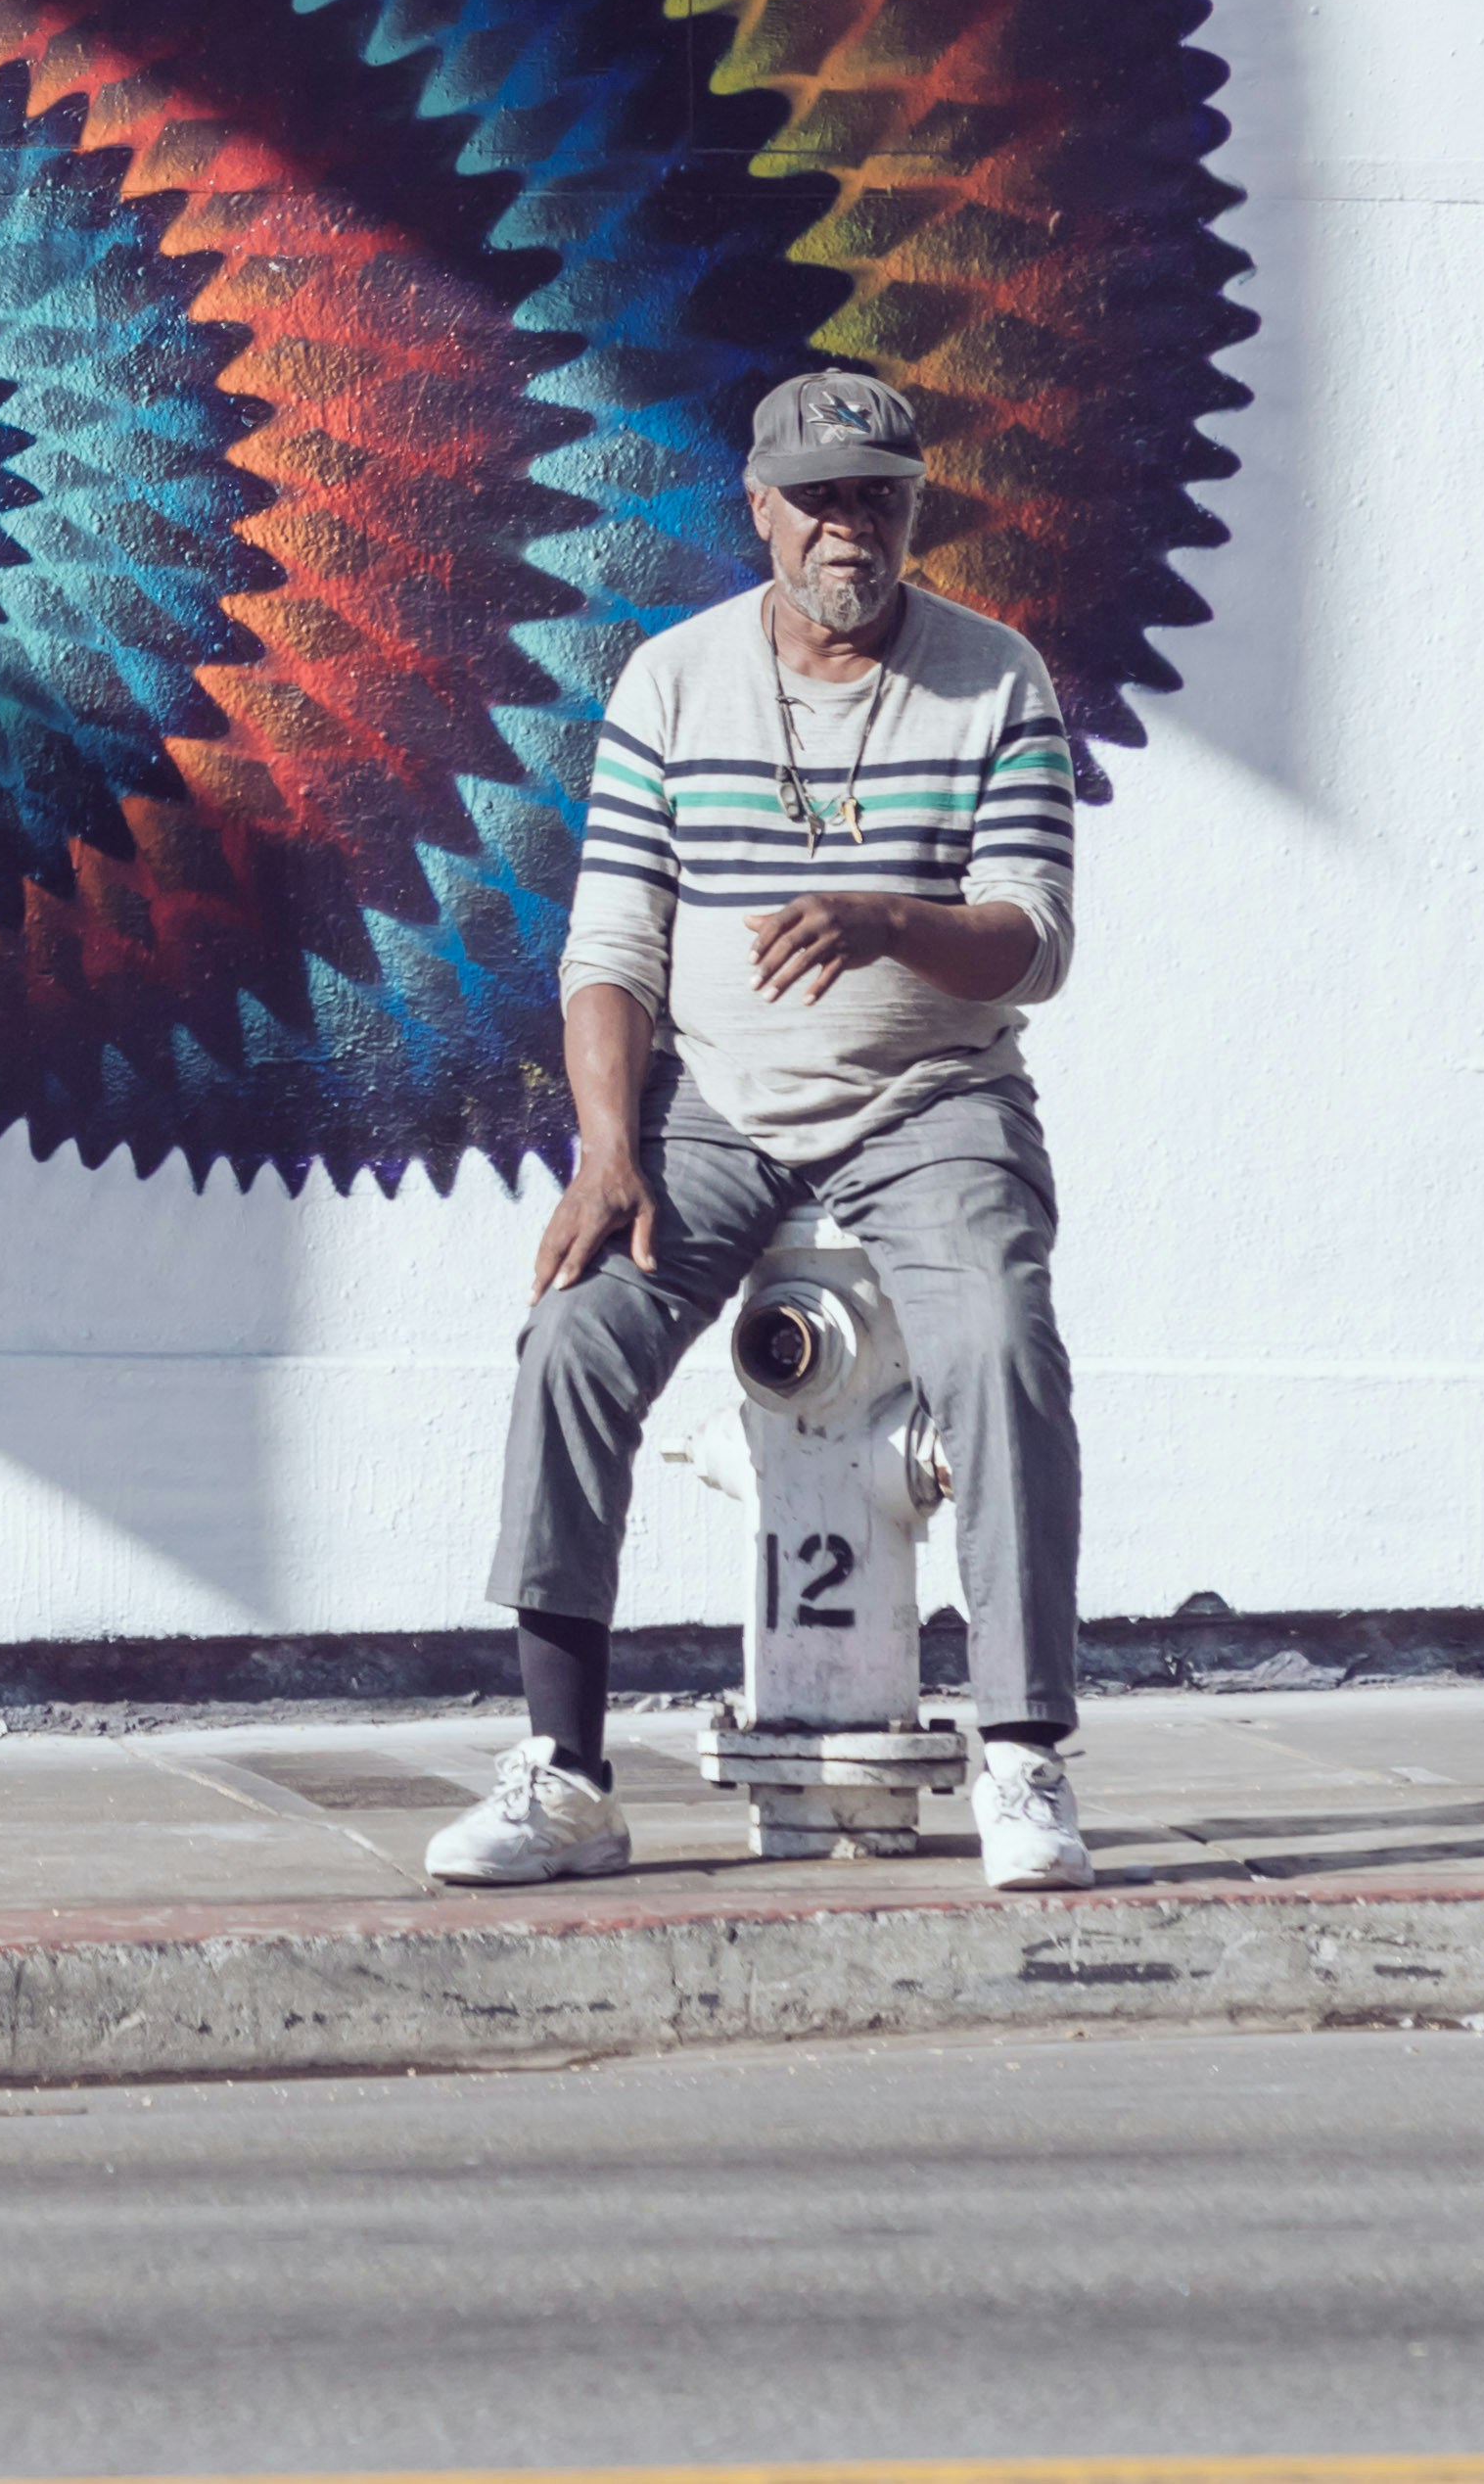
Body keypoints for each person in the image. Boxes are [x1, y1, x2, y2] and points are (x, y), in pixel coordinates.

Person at [428, 367, 1100, 1898]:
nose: (844, 527)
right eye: (817, 498)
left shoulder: (997, 681)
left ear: (914, 508)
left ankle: (1021, 1752)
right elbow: (607, 948)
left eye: (875, 496)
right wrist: (608, 1149)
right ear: (759, 510)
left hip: (934, 1096)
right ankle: (563, 1774)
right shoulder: (670, 679)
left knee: (997, 1337)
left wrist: (884, 917)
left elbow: (1035, 944)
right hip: (715, 1100)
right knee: (572, 1337)